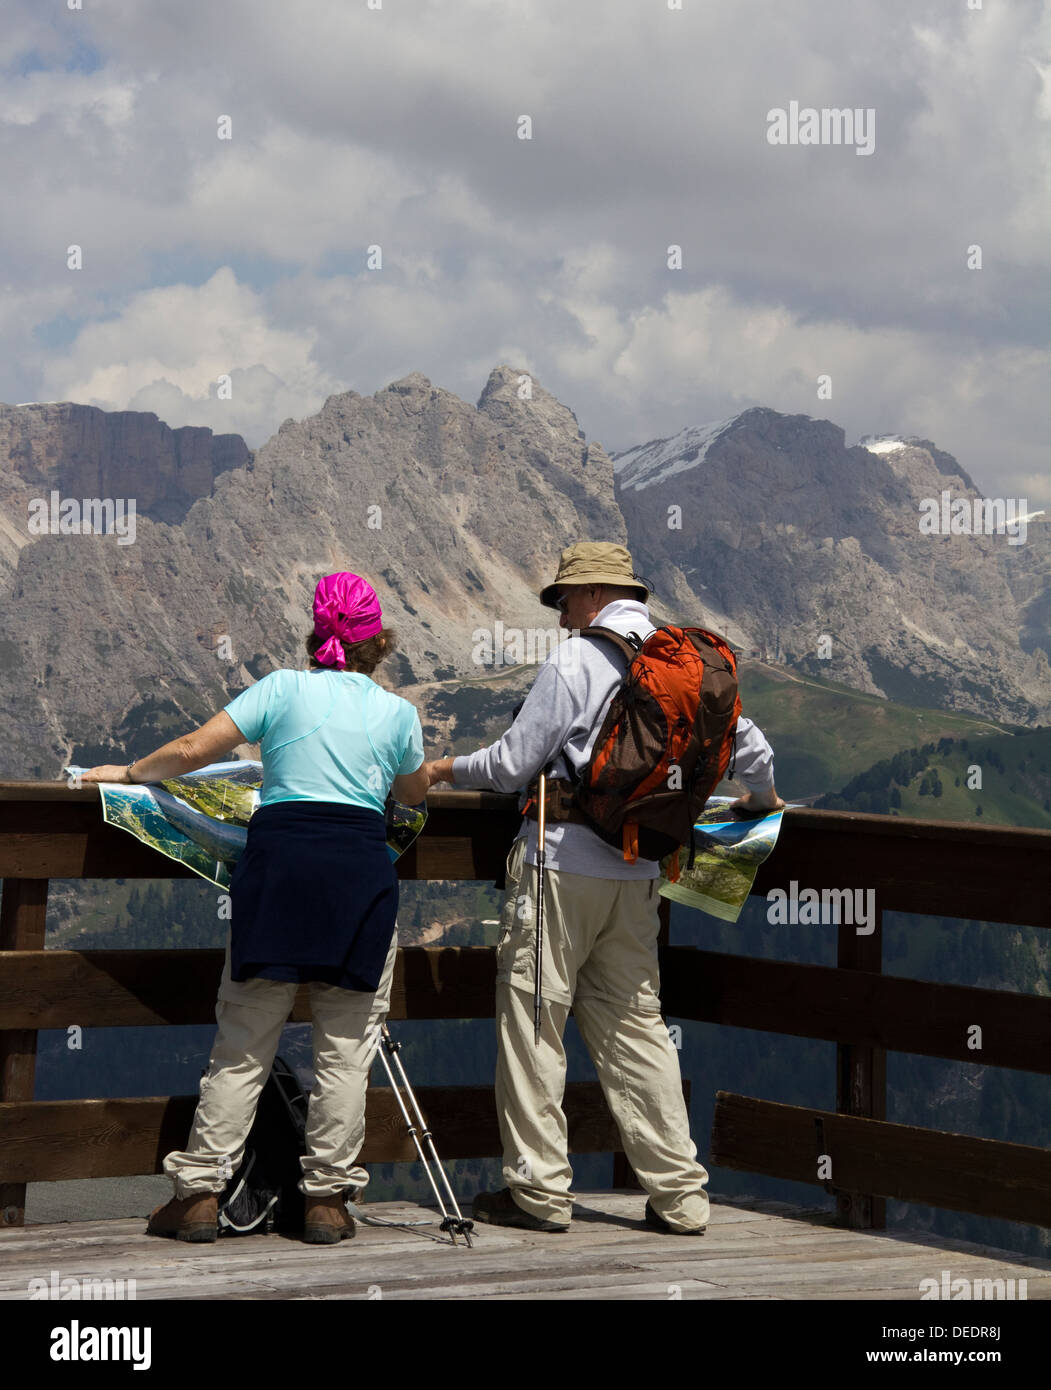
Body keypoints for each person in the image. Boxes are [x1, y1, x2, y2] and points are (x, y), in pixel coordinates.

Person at [422, 542, 783, 1234]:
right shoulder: (689, 662)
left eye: (562, 602)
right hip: (640, 870)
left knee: (534, 1023)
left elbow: (512, 764)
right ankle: (679, 1196)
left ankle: (538, 1193)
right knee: (636, 1028)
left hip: (559, 865)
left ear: (589, 594)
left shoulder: (576, 658)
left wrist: (442, 769)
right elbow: (754, 756)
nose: (560, 618)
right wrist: (760, 802)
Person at [80, 572, 428, 1244]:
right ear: (377, 642)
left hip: (280, 871)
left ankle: (201, 1194)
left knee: (243, 1044)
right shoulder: (397, 712)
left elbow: (190, 753)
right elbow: (413, 791)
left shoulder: (281, 689)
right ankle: (327, 1202)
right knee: (346, 1048)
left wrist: (125, 774)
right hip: (358, 876)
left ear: (315, 632)